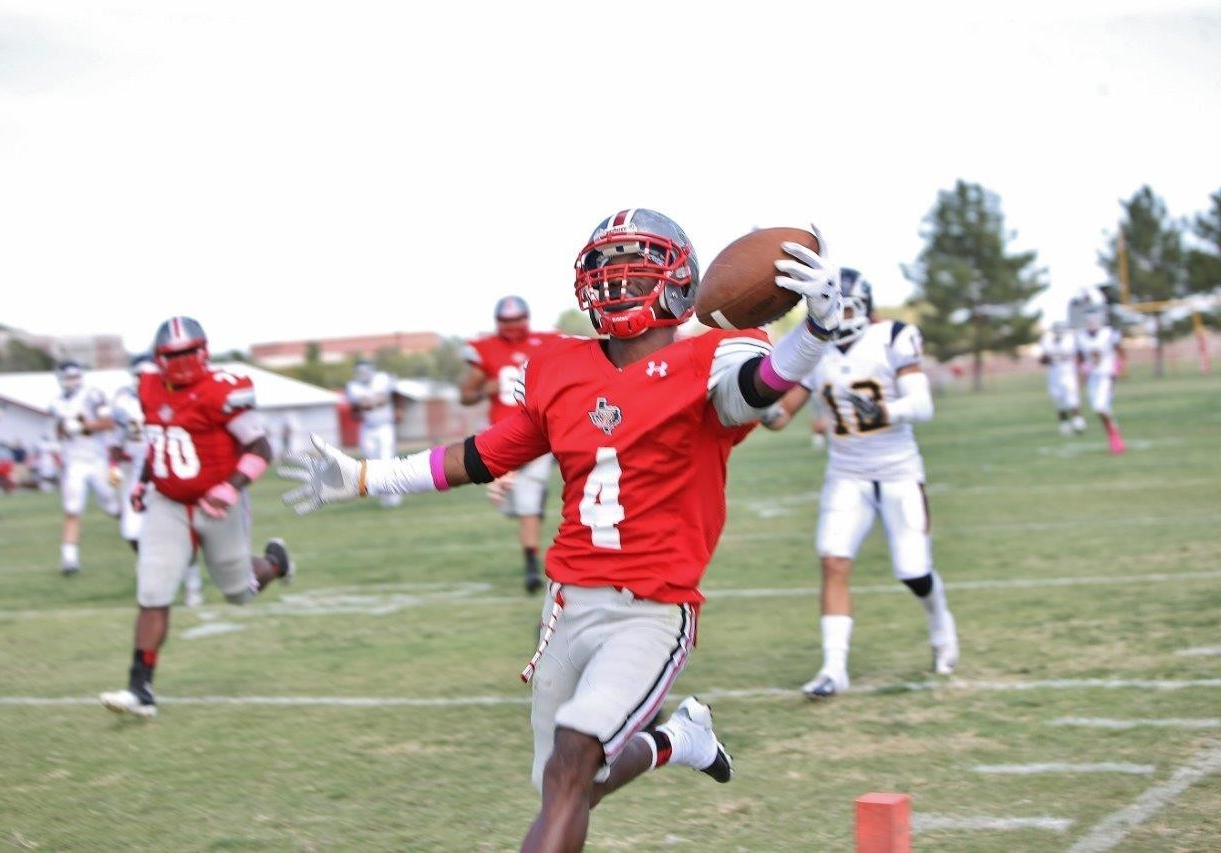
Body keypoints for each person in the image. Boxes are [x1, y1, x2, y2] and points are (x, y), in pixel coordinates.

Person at [279, 208, 842, 851]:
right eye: (607, 264)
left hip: (651, 610)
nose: (618, 277)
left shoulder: (716, 356)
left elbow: (759, 389)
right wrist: (364, 477)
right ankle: (676, 741)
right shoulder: (559, 366)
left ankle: (667, 740)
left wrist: (817, 330)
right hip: (566, 604)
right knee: (568, 781)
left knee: (575, 761)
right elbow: (483, 453)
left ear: (681, 280)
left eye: (638, 263)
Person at [762, 268, 958, 698]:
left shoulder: (893, 337)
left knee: (913, 571)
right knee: (833, 561)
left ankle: (941, 625)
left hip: (899, 471)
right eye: (834, 307)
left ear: (865, 305)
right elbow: (780, 416)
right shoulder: (815, 350)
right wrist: (754, 404)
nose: (840, 315)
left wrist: (884, 413)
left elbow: (922, 404)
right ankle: (834, 669)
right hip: (846, 475)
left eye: (847, 306)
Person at [99, 317, 294, 718]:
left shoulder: (223, 390)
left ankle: (275, 561)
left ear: (204, 351)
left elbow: (260, 448)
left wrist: (231, 487)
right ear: (159, 358)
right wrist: (144, 482)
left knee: (238, 592)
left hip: (217, 502)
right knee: (153, 592)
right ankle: (141, 689)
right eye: (174, 354)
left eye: (190, 351)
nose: (183, 360)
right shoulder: (148, 388)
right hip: (168, 504)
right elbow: (160, 444)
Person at [460, 295, 565, 593]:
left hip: (536, 434)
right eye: (505, 321)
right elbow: (465, 395)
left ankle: (532, 567)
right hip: (501, 439)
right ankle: (526, 504)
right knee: (512, 506)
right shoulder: (486, 349)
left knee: (529, 501)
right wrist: (484, 391)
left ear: (527, 318)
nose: (511, 326)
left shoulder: (547, 343)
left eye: (516, 319)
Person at [109, 352, 204, 607]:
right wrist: (113, 465)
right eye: (138, 375)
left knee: (181, 529)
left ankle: (193, 583)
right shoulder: (123, 401)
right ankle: (160, 570)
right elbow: (117, 440)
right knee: (131, 531)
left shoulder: (174, 394)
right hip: (138, 469)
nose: (143, 380)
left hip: (168, 466)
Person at [47, 361, 119, 575]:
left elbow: (109, 423)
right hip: (74, 463)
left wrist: (82, 425)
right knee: (72, 510)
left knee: (113, 506)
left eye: (74, 377)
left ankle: (135, 533)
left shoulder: (93, 395)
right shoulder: (55, 403)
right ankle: (69, 559)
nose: (71, 382)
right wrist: (63, 431)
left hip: (99, 460)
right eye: (67, 378)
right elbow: (58, 433)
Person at [345, 358, 401, 508]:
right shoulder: (353, 386)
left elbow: (382, 399)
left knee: (386, 460)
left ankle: (394, 494)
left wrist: (371, 401)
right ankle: (384, 494)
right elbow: (363, 404)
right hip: (367, 427)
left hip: (385, 426)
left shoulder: (382, 378)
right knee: (371, 464)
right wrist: (373, 400)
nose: (363, 374)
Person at [1076, 308, 1126, 455]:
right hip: (1093, 377)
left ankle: (1114, 437)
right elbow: (1080, 357)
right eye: (1088, 321)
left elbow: (1120, 351)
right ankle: (1115, 437)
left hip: (1106, 375)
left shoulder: (1108, 333)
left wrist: (1119, 367)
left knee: (1100, 407)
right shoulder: (1080, 337)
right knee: (1100, 409)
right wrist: (1082, 368)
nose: (1091, 324)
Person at [1039, 320, 1084, 435]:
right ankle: (1064, 424)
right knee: (1058, 400)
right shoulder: (1047, 341)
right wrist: (1049, 358)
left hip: (1068, 373)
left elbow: (1080, 356)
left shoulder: (1071, 340)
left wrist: (1081, 371)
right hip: (1054, 374)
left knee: (1072, 397)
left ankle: (1078, 421)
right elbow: (1042, 360)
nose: (1059, 333)